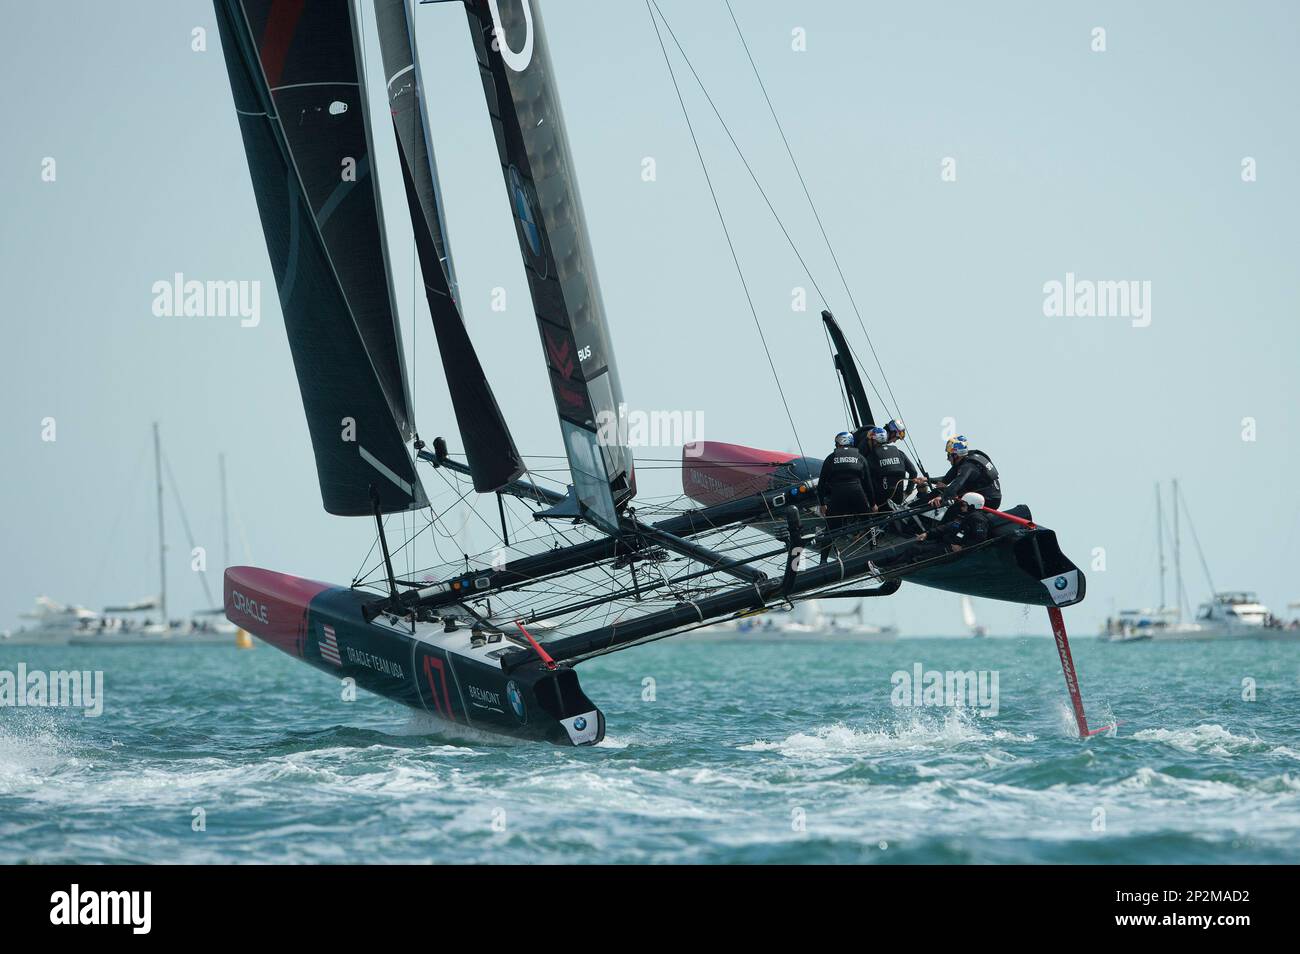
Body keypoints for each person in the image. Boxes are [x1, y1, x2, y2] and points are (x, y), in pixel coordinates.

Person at [914, 436, 1002, 511]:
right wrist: (926, 479)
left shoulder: (968, 466)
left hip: (989, 500)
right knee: (939, 491)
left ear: (956, 455)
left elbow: (958, 483)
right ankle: (911, 507)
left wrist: (942, 497)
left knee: (951, 507)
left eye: (949, 455)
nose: (947, 459)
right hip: (977, 494)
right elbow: (945, 479)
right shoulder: (963, 461)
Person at [862, 425, 918, 507]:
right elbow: (913, 472)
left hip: (881, 503)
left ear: (874, 441)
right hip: (899, 499)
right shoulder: (899, 452)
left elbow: (865, 480)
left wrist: (872, 503)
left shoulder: (870, 457)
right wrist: (907, 492)